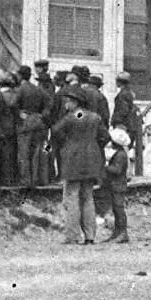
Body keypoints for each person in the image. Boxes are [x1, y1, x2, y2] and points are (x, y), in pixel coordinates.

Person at [50, 85, 110, 245]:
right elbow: (105, 137)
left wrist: (66, 143)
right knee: (88, 197)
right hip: (92, 159)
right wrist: (94, 147)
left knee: (72, 196)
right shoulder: (95, 117)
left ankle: (73, 235)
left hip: (73, 159)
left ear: (76, 102)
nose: (65, 105)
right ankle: (90, 236)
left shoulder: (72, 116)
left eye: (68, 101)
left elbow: (55, 131)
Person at [15, 64, 51, 188]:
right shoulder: (38, 89)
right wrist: (40, 115)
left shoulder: (20, 89)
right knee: (36, 153)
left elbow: (13, 104)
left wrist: (19, 114)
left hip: (26, 124)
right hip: (38, 123)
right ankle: (35, 179)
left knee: (24, 153)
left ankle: (25, 181)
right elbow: (47, 106)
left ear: (20, 76)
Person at [100, 126, 130, 244]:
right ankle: (119, 232)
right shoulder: (121, 153)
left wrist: (105, 168)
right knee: (117, 208)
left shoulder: (120, 155)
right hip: (117, 185)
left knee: (119, 209)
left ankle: (122, 232)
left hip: (118, 185)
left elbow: (117, 170)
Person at [110, 71, 141, 149]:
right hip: (127, 124)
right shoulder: (128, 93)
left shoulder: (122, 95)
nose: (116, 82)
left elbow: (123, 111)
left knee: (121, 147)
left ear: (121, 82)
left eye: (117, 80)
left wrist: (117, 123)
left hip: (122, 125)